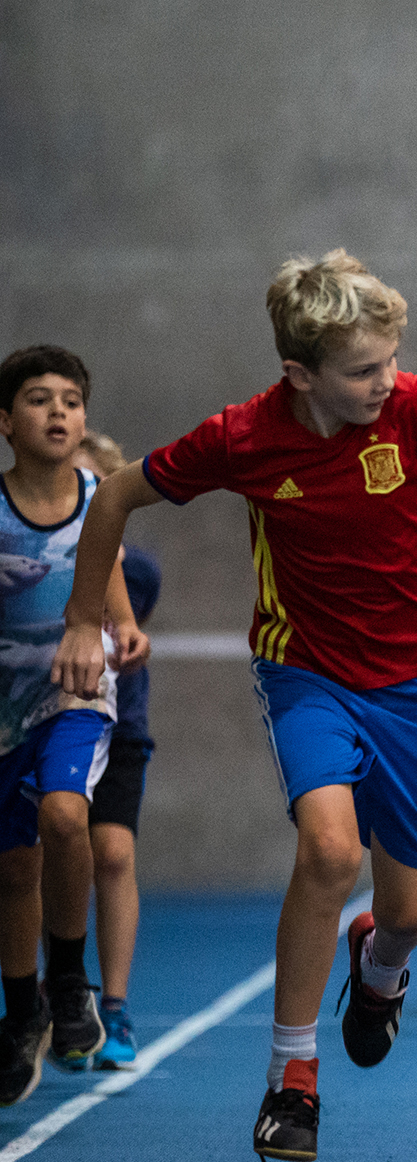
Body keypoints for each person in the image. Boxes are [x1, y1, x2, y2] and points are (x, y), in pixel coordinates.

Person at [51, 252, 417, 1162]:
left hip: (408, 681)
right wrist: (86, 619)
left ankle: (381, 967)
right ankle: (293, 1079)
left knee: (409, 911)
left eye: (391, 361)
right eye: (364, 371)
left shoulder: (415, 409)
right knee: (328, 849)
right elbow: (115, 497)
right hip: (305, 673)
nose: (386, 381)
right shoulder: (243, 438)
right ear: (300, 375)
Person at [0, 349, 146, 1106]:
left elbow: (107, 573)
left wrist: (122, 627)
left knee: (66, 816)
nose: (58, 412)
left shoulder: (100, 496)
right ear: (5, 422)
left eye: (70, 401)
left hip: (74, 694)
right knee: (14, 867)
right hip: (3, 705)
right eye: (37, 399)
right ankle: (20, 1008)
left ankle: (67, 979)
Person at [77, 431, 159, 1069]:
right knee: (45, 856)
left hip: (117, 726)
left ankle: (116, 1003)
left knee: (112, 851)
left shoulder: (135, 571)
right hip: (42, 722)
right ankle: (57, 994)